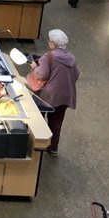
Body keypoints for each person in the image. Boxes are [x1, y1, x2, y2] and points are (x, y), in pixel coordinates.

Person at [28, 29, 80, 157]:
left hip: (49, 96)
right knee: (57, 121)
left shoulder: (49, 57)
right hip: (66, 96)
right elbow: (77, 74)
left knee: (39, 117)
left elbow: (41, 75)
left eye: (50, 41)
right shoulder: (71, 57)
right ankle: (53, 148)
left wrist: (34, 67)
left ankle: (38, 146)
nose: (48, 43)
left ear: (54, 44)